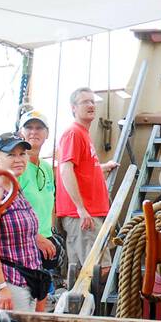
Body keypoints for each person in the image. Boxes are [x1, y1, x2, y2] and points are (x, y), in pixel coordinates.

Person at [0, 133, 51, 315]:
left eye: (22, 154)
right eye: (11, 155)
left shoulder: (14, 189)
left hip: (26, 282)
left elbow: (14, 223)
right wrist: (0, 287)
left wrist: (36, 236)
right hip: (6, 282)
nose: (19, 159)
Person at [55, 87, 118, 283]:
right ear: (73, 108)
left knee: (82, 272)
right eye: (85, 102)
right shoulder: (73, 134)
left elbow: (84, 168)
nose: (91, 105)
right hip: (83, 216)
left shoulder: (83, 134)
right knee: (99, 272)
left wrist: (103, 167)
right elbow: (66, 170)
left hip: (89, 214)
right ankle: (94, 313)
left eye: (92, 101)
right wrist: (81, 209)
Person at [17, 109, 58, 307]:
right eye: (29, 127)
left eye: (39, 128)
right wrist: (35, 236)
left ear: (47, 133)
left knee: (44, 299)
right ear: (21, 132)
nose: (34, 132)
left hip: (46, 242)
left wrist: (50, 232)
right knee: (29, 301)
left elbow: (50, 201)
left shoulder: (47, 168)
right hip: (27, 242)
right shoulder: (18, 168)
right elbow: (11, 210)